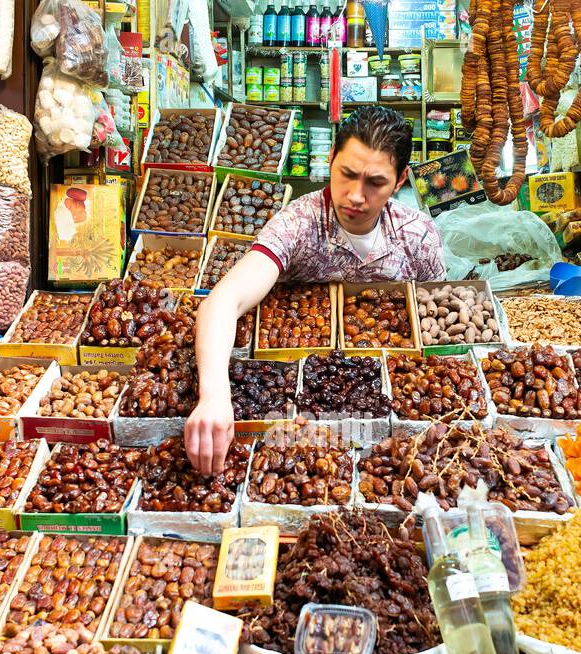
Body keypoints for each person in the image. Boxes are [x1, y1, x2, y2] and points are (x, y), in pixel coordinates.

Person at [184, 105, 446, 475]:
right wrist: (214, 395)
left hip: (390, 409)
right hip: (297, 403)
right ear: (330, 159)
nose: (356, 195)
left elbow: (436, 324)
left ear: (400, 180)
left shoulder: (417, 234)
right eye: (347, 174)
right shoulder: (298, 223)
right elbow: (223, 301)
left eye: (376, 182)